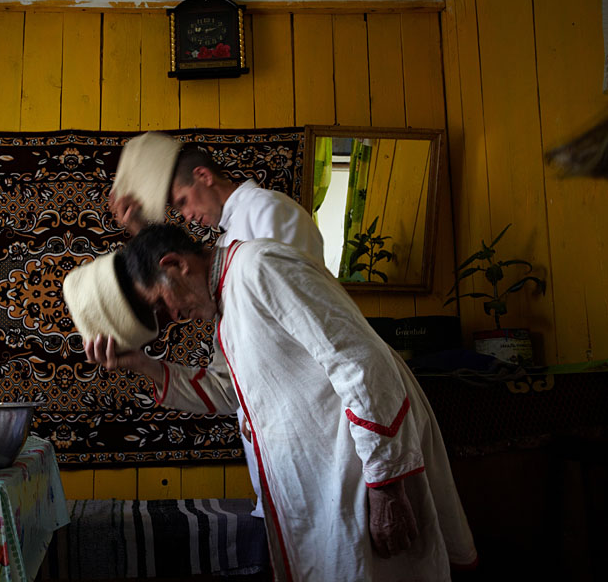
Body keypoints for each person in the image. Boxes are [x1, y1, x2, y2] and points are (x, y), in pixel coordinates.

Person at [78, 224, 477, 581]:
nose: (173, 316)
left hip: (357, 471)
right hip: (324, 480)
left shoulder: (260, 267)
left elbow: (359, 362)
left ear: (175, 264)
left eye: (161, 304)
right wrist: (142, 365)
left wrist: (386, 484)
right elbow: (226, 392)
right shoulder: (227, 305)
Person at [109, 131, 325, 518]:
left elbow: (293, 315)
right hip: (276, 439)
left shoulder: (268, 213)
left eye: (183, 201)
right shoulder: (228, 242)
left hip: (308, 422)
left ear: (205, 177)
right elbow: (199, 278)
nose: (186, 215)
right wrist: (145, 237)